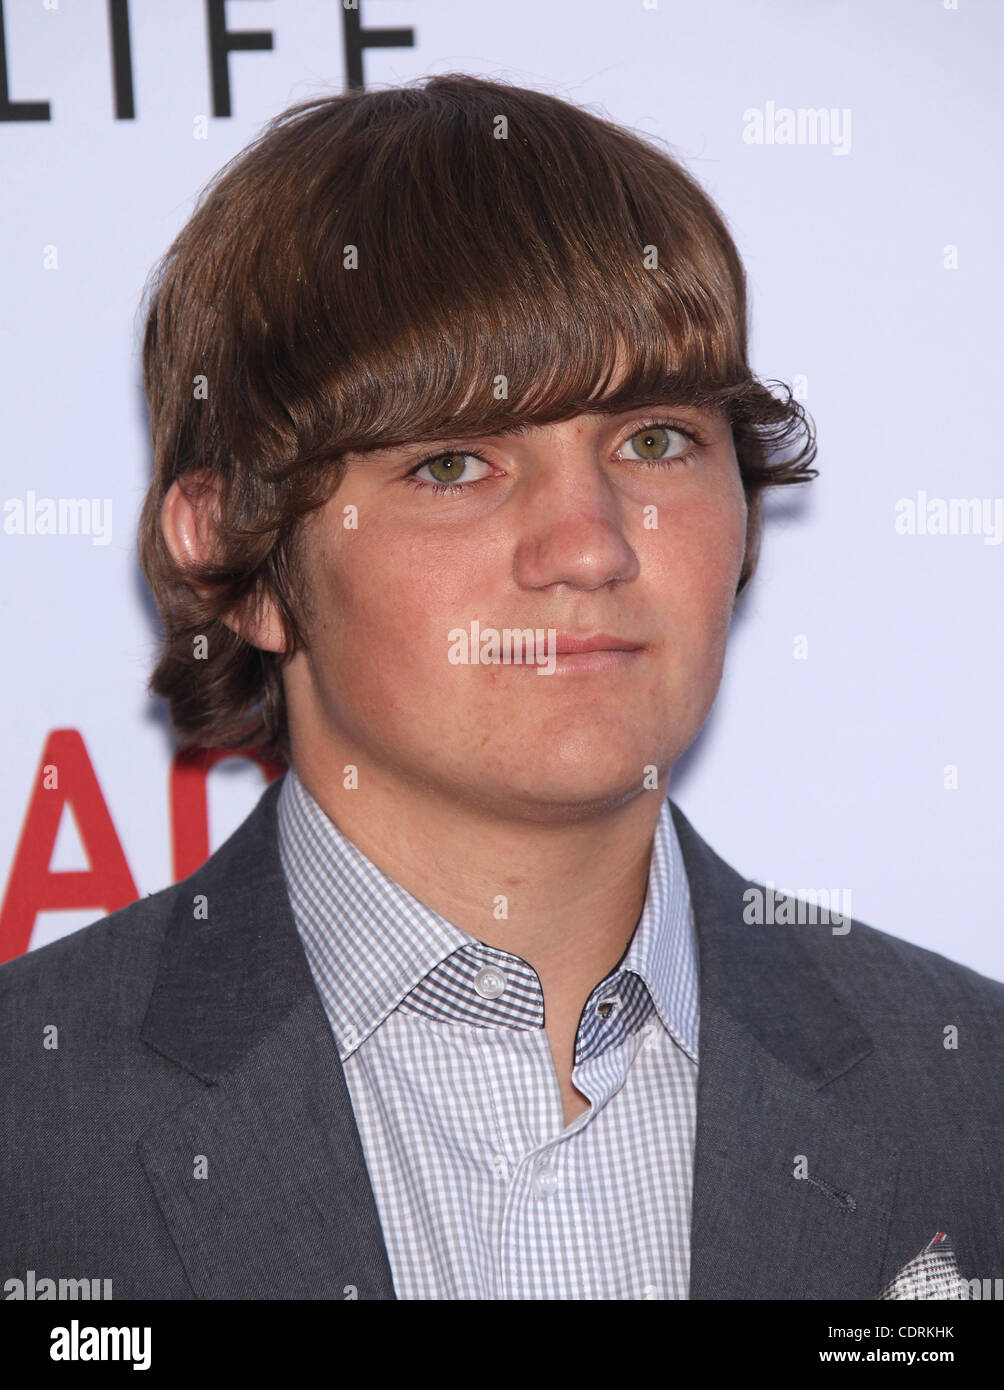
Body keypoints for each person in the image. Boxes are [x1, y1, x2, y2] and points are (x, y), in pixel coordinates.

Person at [1, 74, 1000, 1302]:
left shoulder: (972, 1095)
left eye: (652, 441)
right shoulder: (28, 1124)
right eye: (455, 462)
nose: (589, 545)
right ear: (234, 561)